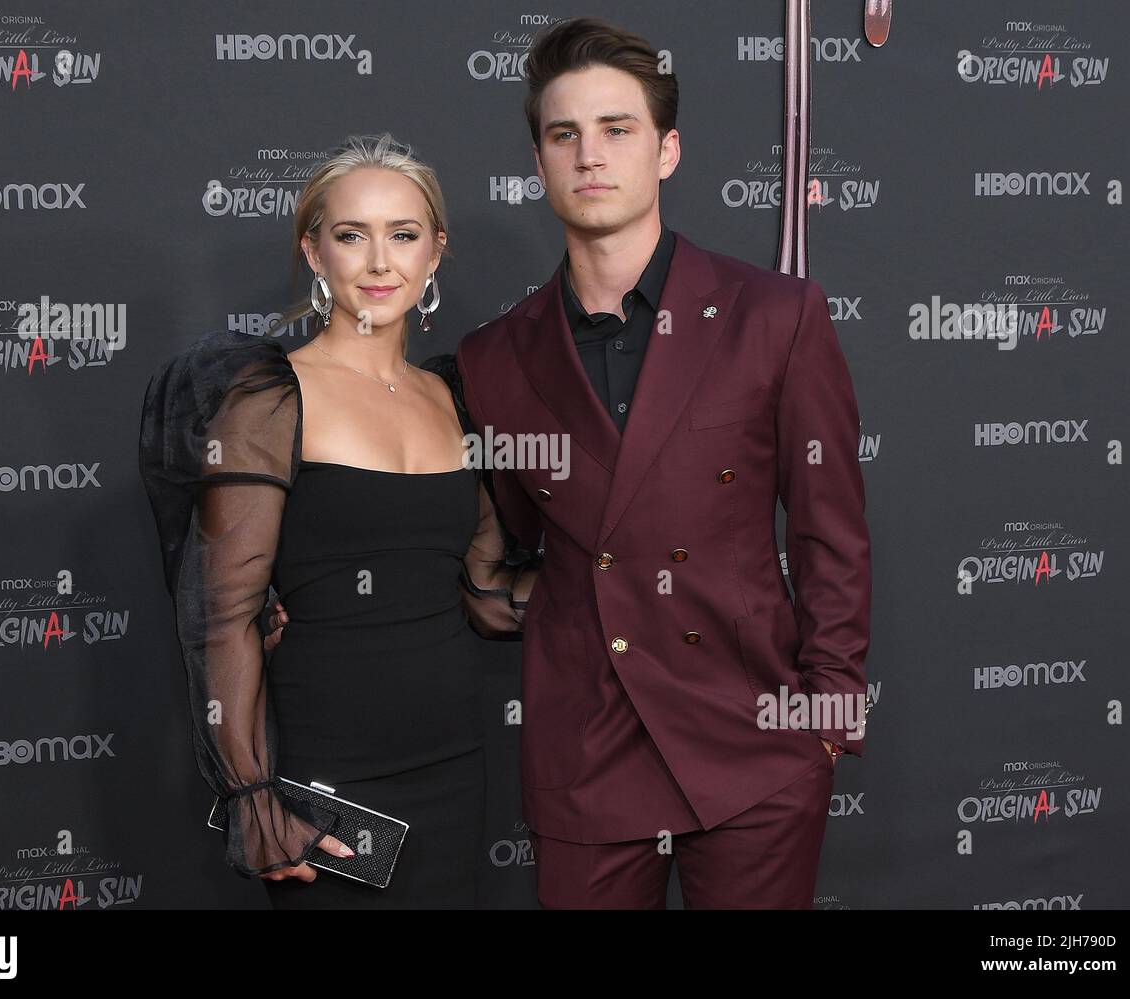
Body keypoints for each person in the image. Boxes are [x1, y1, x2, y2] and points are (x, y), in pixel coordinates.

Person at [272, 18, 873, 909]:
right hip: (586, 749)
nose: (591, 156)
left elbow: (833, 533)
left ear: (667, 152)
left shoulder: (775, 315)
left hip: (756, 747)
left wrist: (825, 723)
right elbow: (499, 545)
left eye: (617, 130)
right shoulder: (493, 357)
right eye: (565, 135)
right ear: (539, 161)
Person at [138, 133, 536, 908]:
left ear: (435, 253)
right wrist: (253, 799)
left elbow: (489, 595)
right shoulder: (268, 398)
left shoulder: (456, 398)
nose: (380, 263)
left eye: (404, 235)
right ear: (315, 253)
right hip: (328, 781)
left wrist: (625, 578)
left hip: (455, 764)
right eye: (352, 235)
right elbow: (220, 615)